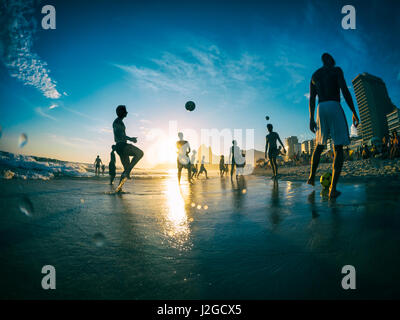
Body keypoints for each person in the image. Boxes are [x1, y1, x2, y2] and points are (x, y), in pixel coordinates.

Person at [307, 53, 360, 198]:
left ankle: (311, 177)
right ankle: (332, 189)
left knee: (319, 145)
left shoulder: (315, 75)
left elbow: (312, 99)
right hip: (334, 105)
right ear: (329, 60)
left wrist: (311, 118)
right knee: (338, 148)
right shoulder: (336, 70)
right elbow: (345, 90)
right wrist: (354, 111)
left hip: (320, 108)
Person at [113, 105, 144, 185]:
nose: (126, 112)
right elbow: (120, 134)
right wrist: (131, 139)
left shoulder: (120, 121)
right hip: (122, 145)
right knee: (140, 153)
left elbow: (121, 134)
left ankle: (119, 189)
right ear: (121, 112)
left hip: (120, 146)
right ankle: (128, 171)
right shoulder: (117, 122)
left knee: (125, 170)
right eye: (125, 111)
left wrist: (130, 139)